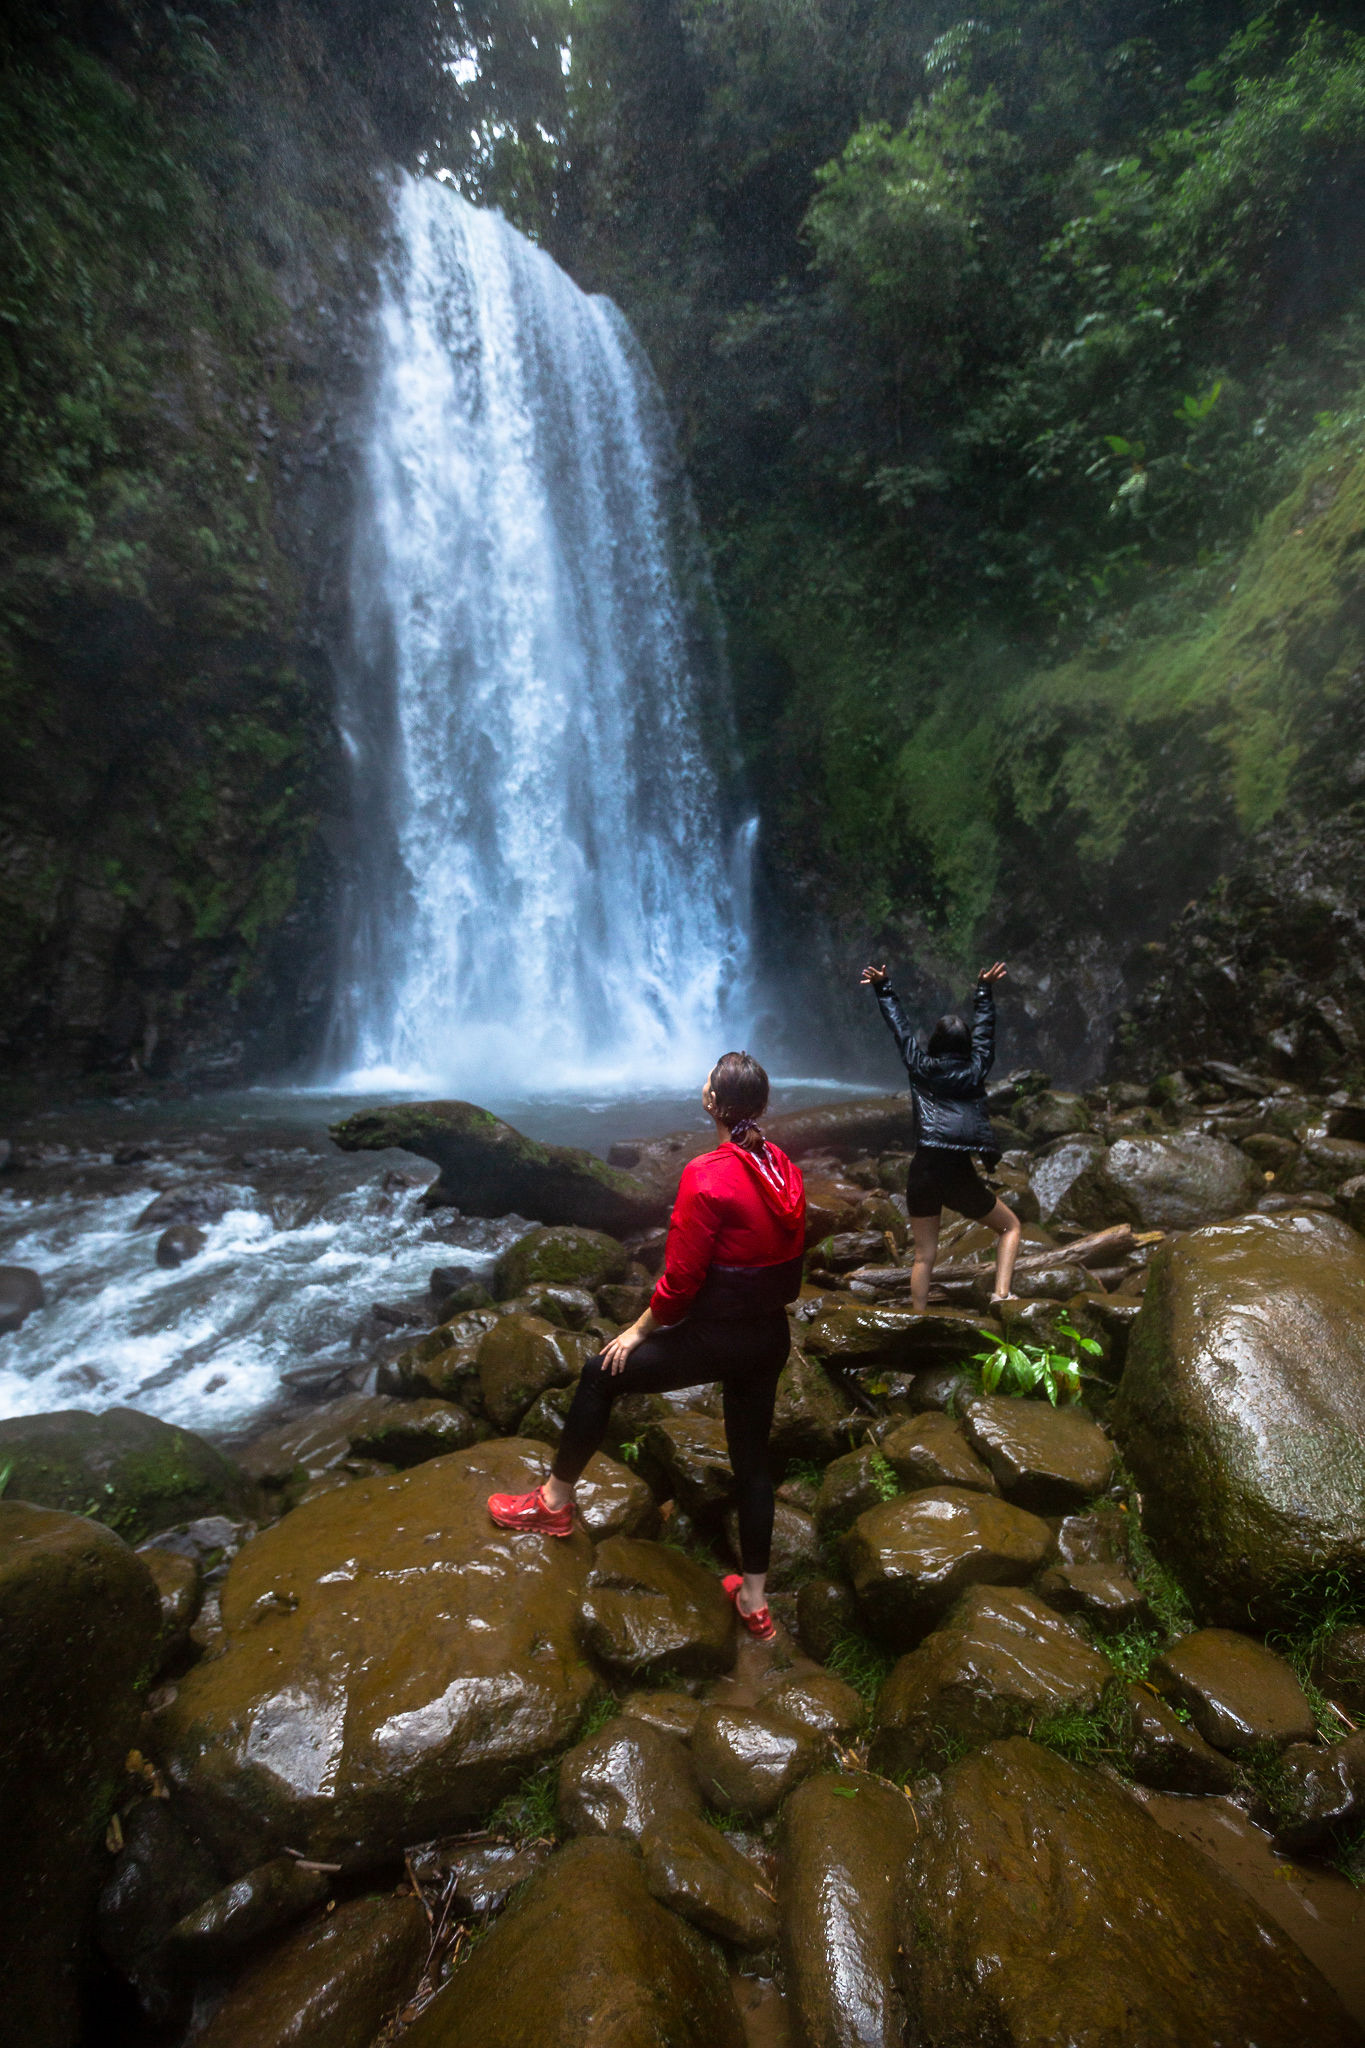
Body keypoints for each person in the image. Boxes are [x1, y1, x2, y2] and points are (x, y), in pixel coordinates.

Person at [487, 1050, 806, 1642]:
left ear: (712, 1101)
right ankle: (755, 1603)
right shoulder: (780, 1164)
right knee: (752, 1462)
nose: (702, 1084)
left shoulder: (706, 1175)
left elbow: (681, 1284)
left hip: (719, 1336)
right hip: (769, 1336)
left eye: (707, 1081)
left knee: (600, 1372)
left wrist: (636, 1331)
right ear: (760, 1108)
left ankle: (553, 1503)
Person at [861, 959, 1021, 1311]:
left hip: (923, 1170)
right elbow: (985, 1034)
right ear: (966, 1048)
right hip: (956, 1172)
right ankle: (1001, 1295)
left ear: (933, 1042)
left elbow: (900, 1031)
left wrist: (884, 988)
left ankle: (918, 1317)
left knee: (923, 1255)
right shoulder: (977, 1069)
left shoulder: (920, 1068)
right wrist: (984, 991)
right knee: (1010, 1227)